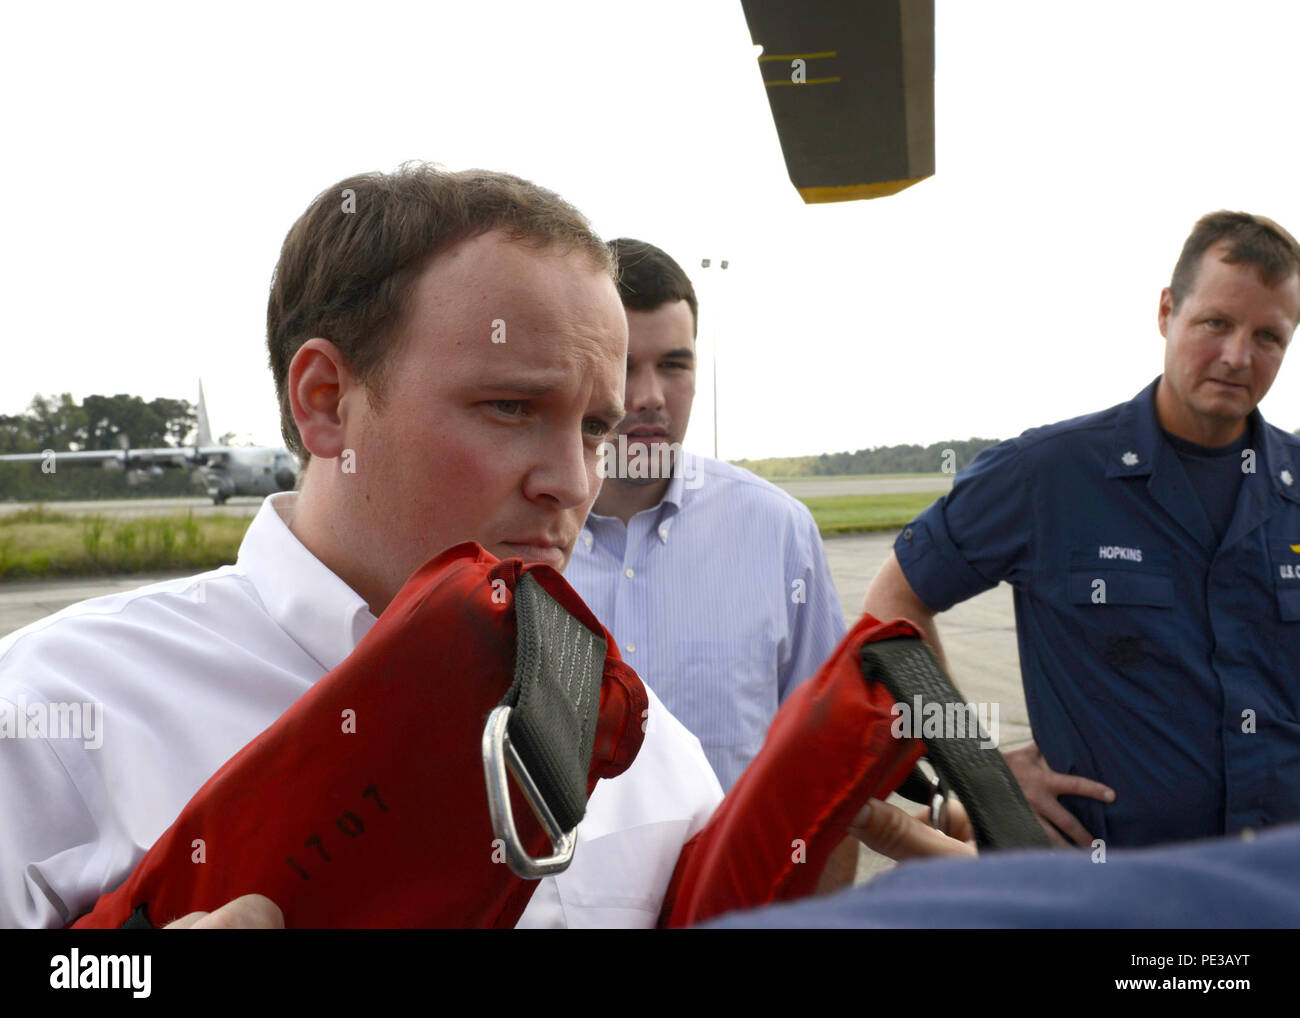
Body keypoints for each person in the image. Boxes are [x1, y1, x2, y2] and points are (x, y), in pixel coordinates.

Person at [0, 164, 726, 929]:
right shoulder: (51, 720)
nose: (575, 483)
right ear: (325, 402)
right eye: (511, 407)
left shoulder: (651, 760)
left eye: (592, 429)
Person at [863, 211, 1300, 850]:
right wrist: (980, 775)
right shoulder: (1047, 475)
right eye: (1216, 323)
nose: (1238, 356)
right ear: (1167, 311)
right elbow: (894, 604)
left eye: (1269, 336)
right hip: (1110, 891)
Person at [563, 239, 846, 793]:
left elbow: (827, 757)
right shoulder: (510, 540)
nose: (647, 396)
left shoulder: (779, 532)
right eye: (623, 367)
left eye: (673, 365)